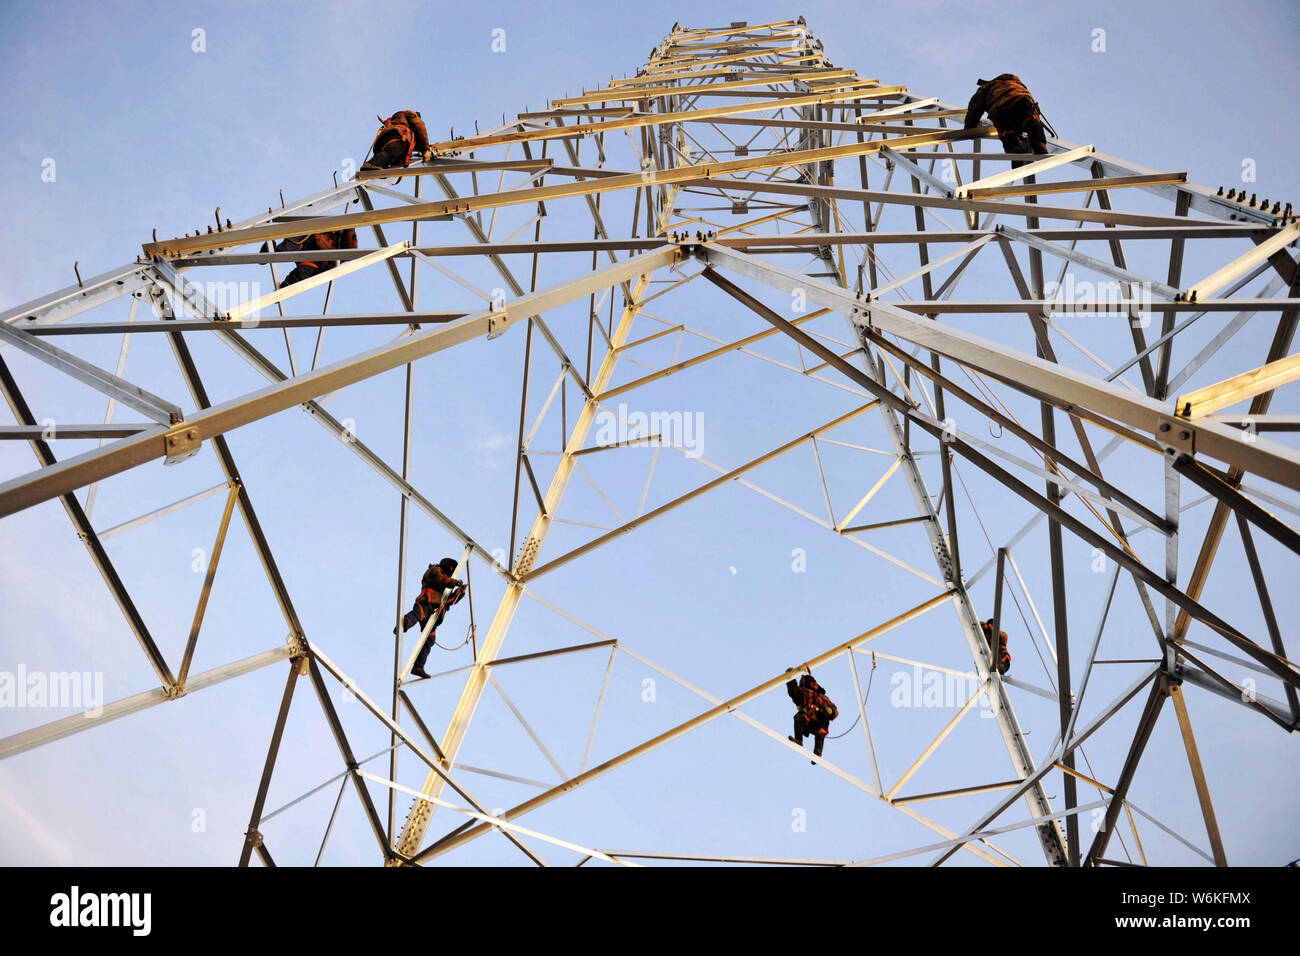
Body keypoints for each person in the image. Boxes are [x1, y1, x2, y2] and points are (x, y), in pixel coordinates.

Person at [396, 558, 466, 679]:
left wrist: (460, 593)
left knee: (430, 639)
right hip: (426, 602)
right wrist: (455, 582)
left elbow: (449, 601)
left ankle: (418, 667)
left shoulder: (445, 586)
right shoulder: (435, 570)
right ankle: (403, 625)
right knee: (417, 615)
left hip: (434, 614)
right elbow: (441, 580)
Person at [963, 74, 1049, 155]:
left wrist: (969, 128)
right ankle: (1039, 143)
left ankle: (1015, 152)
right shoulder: (1015, 82)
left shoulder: (985, 88)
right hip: (1022, 100)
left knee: (1007, 134)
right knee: (1029, 120)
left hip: (1001, 109)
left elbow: (974, 108)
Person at [274, 229, 358, 288]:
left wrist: (350, 228)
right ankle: (270, 253)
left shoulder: (342, 245)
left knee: (304, 271)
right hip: (306, 240)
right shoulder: (332, 227)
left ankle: (286, 286)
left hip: (316, 259)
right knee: (288, 247)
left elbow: (352, 248)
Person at [786, 671, 838, 763]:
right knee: (799, 718)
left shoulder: (823, 697)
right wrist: (790, 678)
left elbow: (834, 711)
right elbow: (793, 691)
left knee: (820, 733)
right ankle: (799, 740)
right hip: (808, 717)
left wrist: (831, 711)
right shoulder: (803, 692)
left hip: (821, 719)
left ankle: (817, 753)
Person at [361, 110, 430, 171]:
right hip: (398, 137)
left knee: (389, 155)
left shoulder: (394, 120)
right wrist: (426, 149)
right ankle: (373, 164)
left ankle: (378, 165)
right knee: (391, 151)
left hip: (383, 140)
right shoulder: (411, 114)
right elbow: (420, 126)